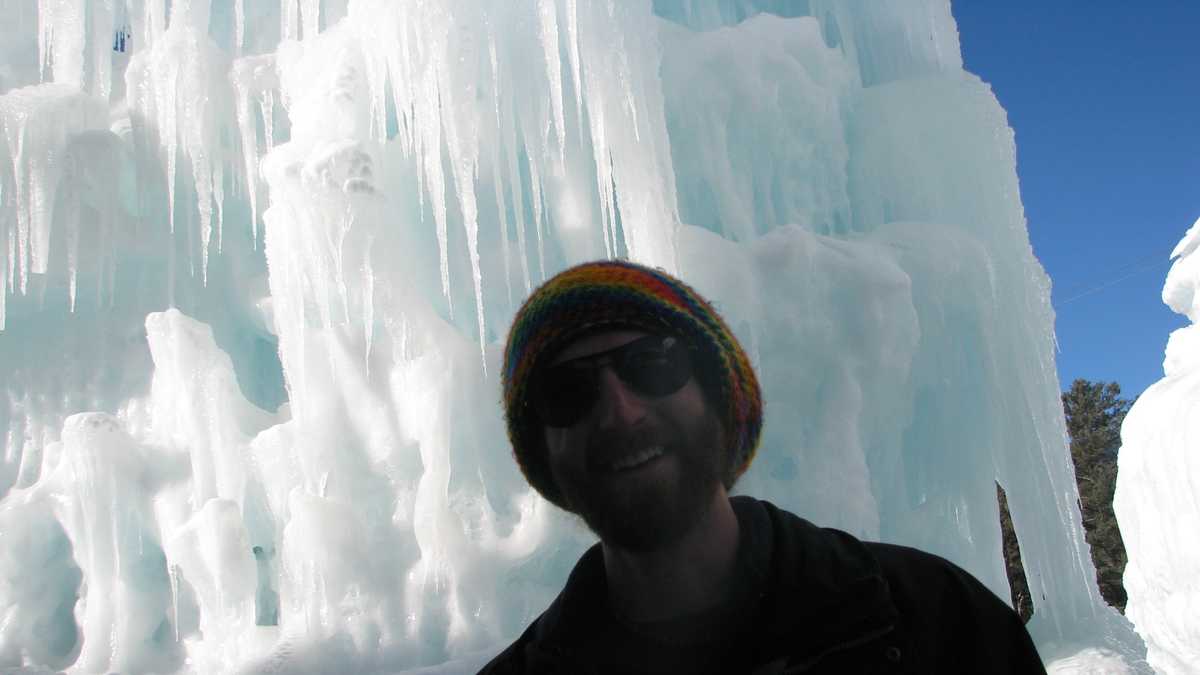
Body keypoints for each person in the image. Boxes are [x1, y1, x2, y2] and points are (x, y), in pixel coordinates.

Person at [480, 260, 1046, 674]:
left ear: (721, 398)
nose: (619, 411)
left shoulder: (940, 621)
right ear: (543, 454)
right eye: (566, 392)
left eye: (651, 364)